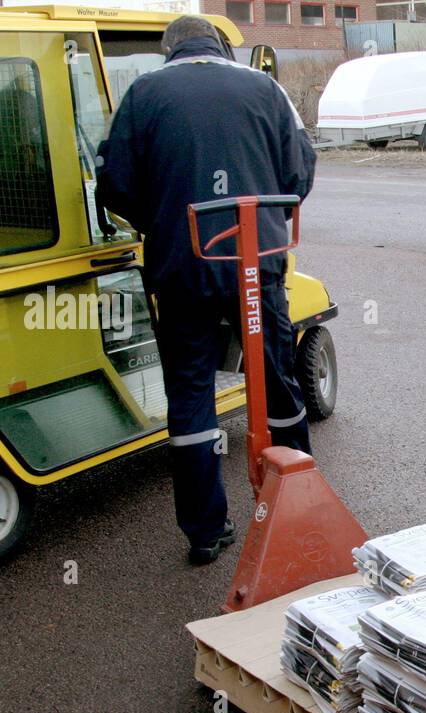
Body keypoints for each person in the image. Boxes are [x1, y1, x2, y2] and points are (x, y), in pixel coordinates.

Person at [96, 16, 316, 564]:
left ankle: (205, 531)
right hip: (256, 260)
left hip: (183, 266)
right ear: (221, 46)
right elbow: (301, 171)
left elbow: (114, 183)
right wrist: (263, 209)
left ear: (170, 52)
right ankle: (295, 504)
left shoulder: (143, 94)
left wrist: (166, 218)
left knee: (190, 392)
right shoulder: (266, 88)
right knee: (276, 378)